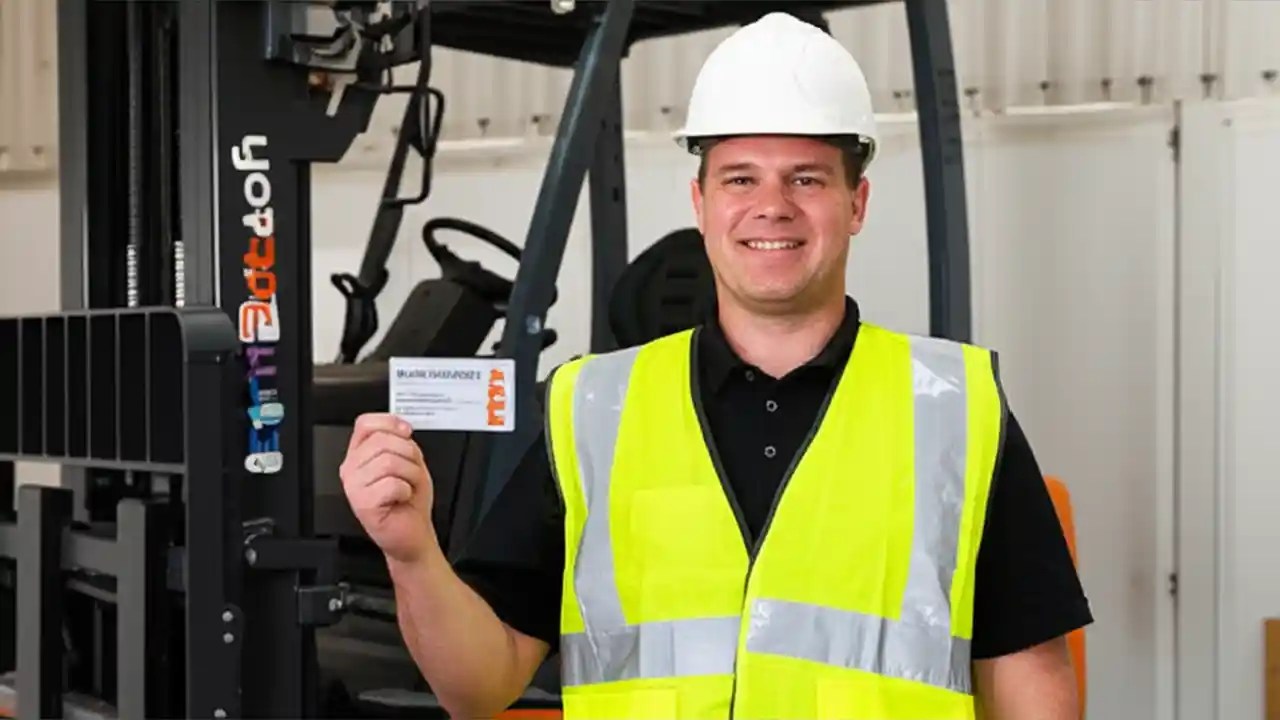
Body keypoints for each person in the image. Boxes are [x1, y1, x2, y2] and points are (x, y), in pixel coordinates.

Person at [339, 12, 1092, 720]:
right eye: (741, 178)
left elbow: (1029, 681)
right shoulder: (593, 409)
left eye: (806, 177)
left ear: (855, 203)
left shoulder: (955, 409)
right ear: (700, 202)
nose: (773, 205)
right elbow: (481, 685)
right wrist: (412, 552)